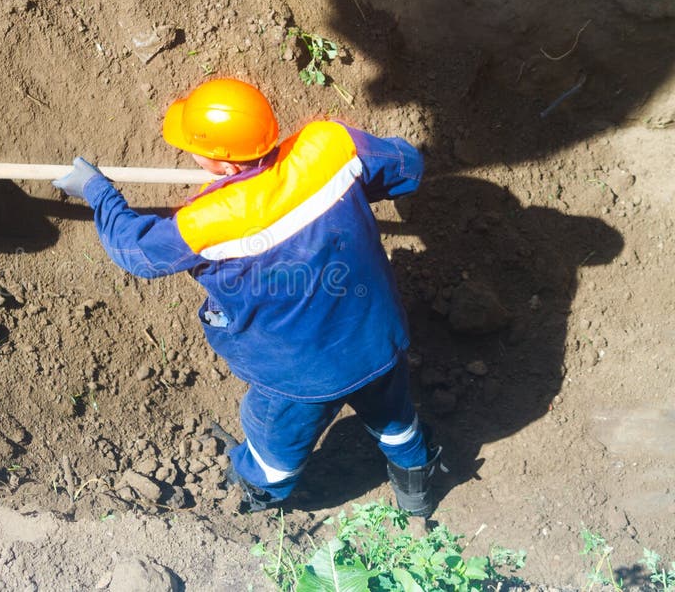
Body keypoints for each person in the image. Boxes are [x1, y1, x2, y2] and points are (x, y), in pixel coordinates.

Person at [53, 77, 441, 516]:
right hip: (377, 340)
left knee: (273, 444)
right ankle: (417, 492)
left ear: (223, 165)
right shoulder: (330, 146)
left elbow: (136, 251)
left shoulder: (207, 222)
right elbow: (406, 167)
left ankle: (260, 495)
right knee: (394, 417)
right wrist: (346, 188)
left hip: (297, 376)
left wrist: (96, 191)